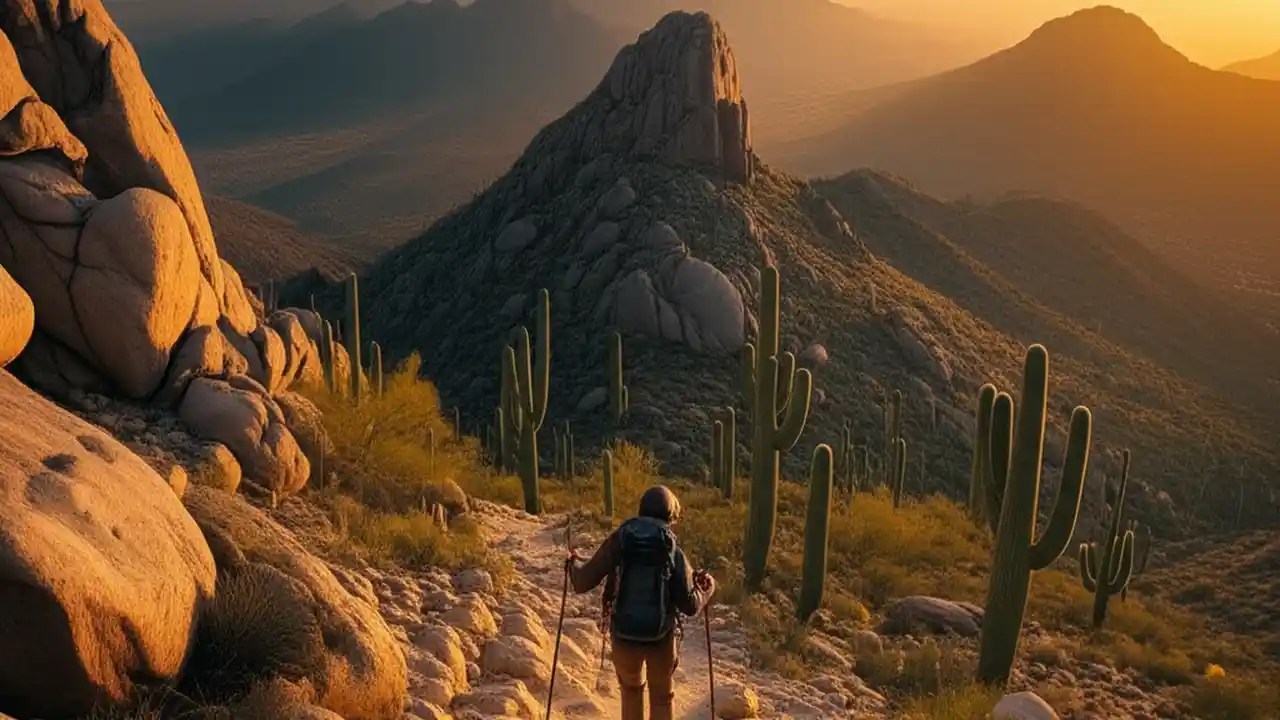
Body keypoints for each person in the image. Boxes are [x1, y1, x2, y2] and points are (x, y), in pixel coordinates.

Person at [567, 485, 715, 720]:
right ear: (670, 515)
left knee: (631, 691)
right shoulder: (671, 547)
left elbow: (582, 581)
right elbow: (690, 605)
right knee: (661, 699)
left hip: (624, 637)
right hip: (661, 638)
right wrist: (707, 590)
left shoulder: (621, 537)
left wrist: (572, 564)